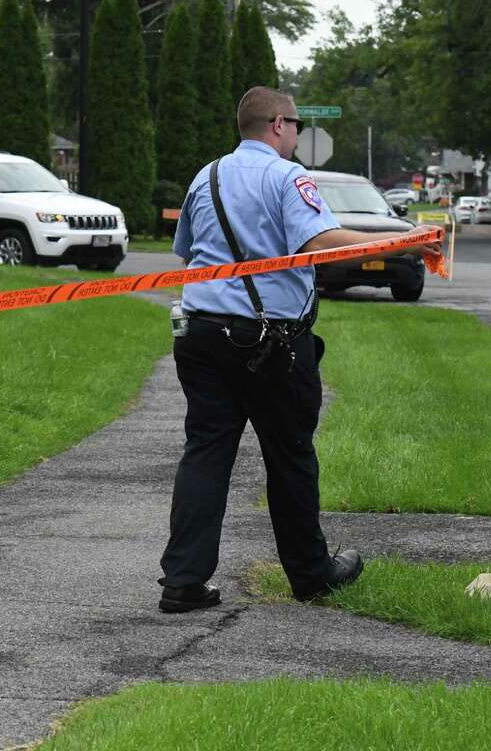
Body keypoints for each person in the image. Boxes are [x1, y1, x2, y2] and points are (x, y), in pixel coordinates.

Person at [158, 86, 441, 613]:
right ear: (277, 125)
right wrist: (403, 240)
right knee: (290, 456)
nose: (297, 135)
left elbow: (188, 252)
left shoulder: (206, 176)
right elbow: (319, 244)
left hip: (201, 335)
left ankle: (183, 580)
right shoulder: (288, 177)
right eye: (296, 125)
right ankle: (311, 574)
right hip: (271, 343)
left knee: (206, 452)